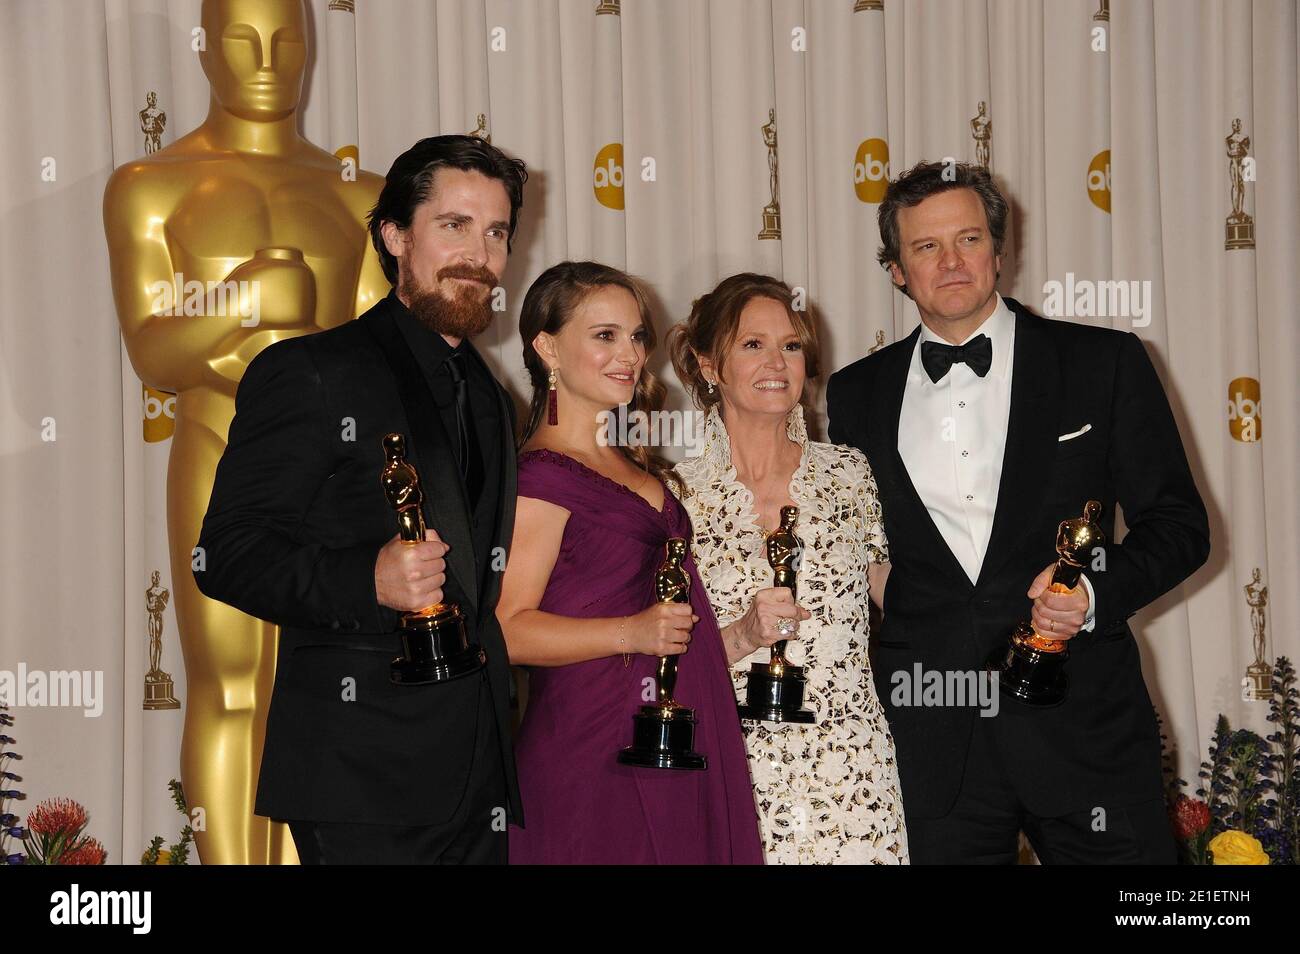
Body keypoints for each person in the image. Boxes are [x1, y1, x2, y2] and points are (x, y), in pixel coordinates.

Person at [826, 160, 1210, 864]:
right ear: (895, 270)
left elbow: (1180, 525)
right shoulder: (853, 395)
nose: (951, 262)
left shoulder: (1104, 362)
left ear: (1000, 251)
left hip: (1083, 724)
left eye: (968, 239)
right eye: (925, 247)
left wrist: (1091, 592)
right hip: (933, 739)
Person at [194, 135, 528, 864]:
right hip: (360, 775)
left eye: (497, 231)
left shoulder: (494, 398)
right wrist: (365, 579)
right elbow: (224, 552)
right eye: (454, 225)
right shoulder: (311, 371)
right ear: (394, 234)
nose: (480, 252)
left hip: (476, 776)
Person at [496, 261, 763, 864]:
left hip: (666, 730)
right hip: (588, 744)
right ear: (547, 348)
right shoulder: (541, 477)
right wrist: (631, 631)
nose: (630, 354)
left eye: (637, 335)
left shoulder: (631, 465)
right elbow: (507, 628)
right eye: (604, 335)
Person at [668, 273, 908, 864]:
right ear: (708, 365)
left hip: (854, 770)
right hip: (731, 767)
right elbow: (662, 658)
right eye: (753, 344)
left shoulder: (850, 473)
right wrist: (744, 635)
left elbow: (897, 598)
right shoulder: (674, 497)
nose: (777, 361)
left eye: (792, 345)